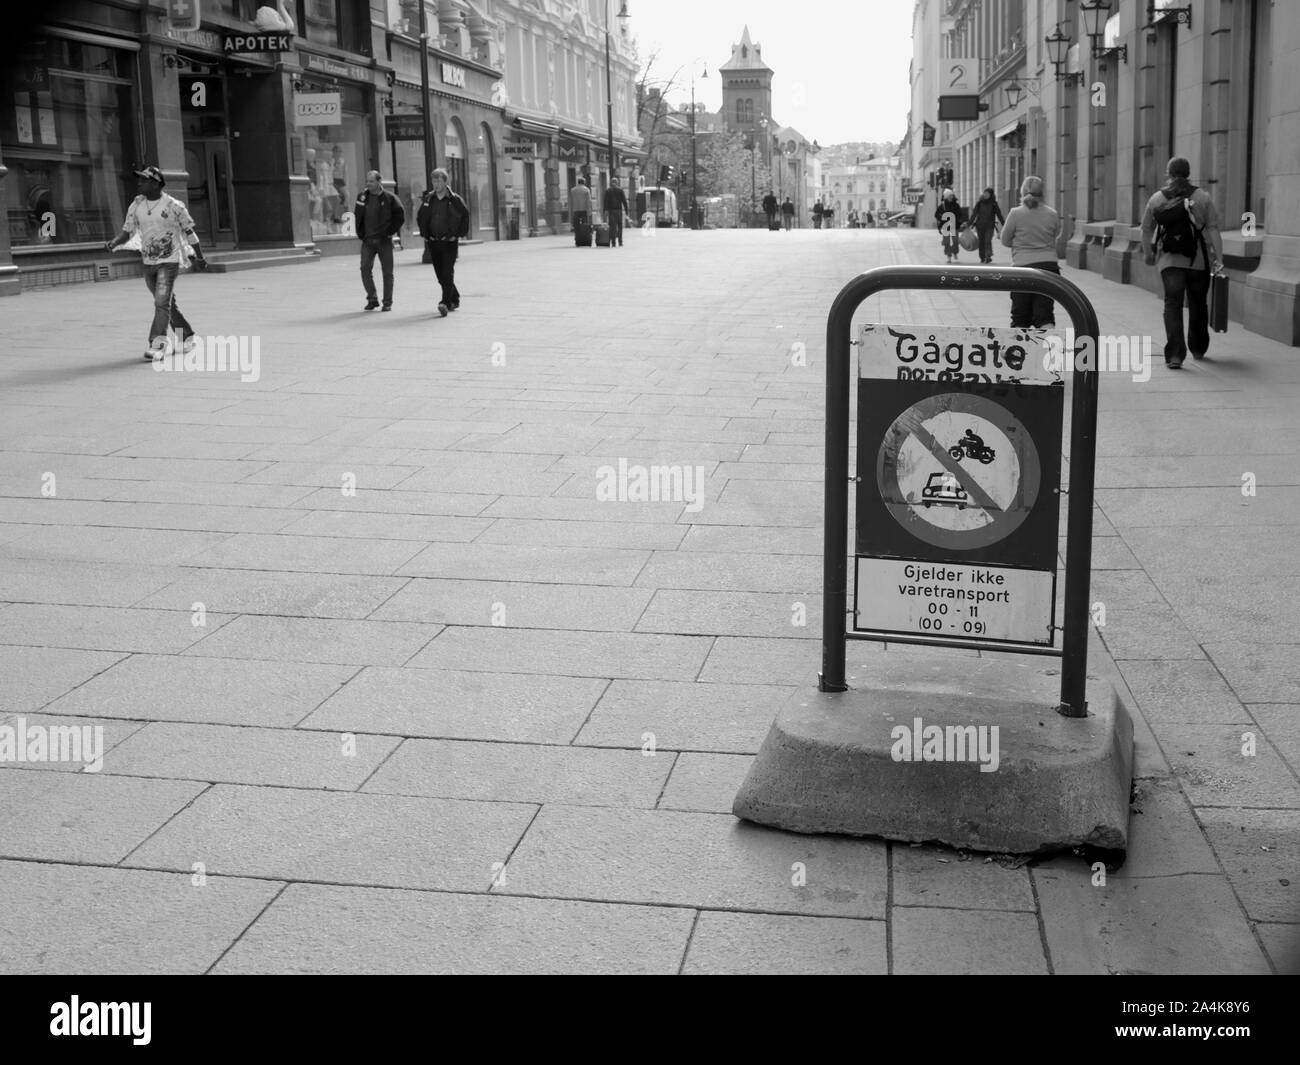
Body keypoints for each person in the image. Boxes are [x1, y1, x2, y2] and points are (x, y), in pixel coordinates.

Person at [104, 165, 207, 361]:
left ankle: (158, 343)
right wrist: (114, 243)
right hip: (148, 262)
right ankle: (187, 335)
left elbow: (189, 232)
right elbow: (127, 232)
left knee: (161, 302)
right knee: (166, 303)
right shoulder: (136, 206)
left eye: (144, 180)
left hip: (169, 261)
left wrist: (200, 257)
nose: (139, 183)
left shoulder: (174, 206)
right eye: (139, 179)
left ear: (156, 183)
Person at [1140, 156, 1224, 368]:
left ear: (1168, 173)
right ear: (1188, 173)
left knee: (1173, 304)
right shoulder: (1202, 197)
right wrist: (1219, 258)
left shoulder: (1157, 198)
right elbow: (1213, 228)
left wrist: (1148, 253)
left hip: (1169, 262)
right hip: (1198, 261)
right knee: (1198, 304)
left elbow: (1146, 228)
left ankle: (1176, 355)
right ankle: (1198, 347)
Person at [999, 175, 1063, 329]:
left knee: (1020, 316)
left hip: (1023, 269)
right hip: (1049, 269)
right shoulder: (1052, 214)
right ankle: (1048, 348)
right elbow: (1056, 236)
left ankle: (1019, 351)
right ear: (1043, 193)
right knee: (1045, 315)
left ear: (1022, 192)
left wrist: (1021, 243)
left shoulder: (1015, 213)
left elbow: (1005, 240)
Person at [416, 167, 470, 317]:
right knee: (440, 275)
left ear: (446, 182)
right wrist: (425, 234)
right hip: (433, 242)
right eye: (434, 180)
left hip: (449, 242)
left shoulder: (455, 199)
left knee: (447, 272)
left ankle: (445, 303)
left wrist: (457, 235)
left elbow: (465, 217)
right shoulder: (428, 199)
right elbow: (420, 217)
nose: (437, 183)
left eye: (440, 180)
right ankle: (455, 297)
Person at [354, 170, 405, 312]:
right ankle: (372, 298)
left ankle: (387, 302)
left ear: (379, 182)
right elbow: (357, 215)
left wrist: (389, 232)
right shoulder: (362, 197)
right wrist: (360, 232)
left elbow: (400, 216)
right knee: (364, 268)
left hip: (384, 241)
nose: (368, 184)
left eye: (371, 181)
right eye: (367, 181)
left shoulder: (390, 198)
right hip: (368, 241)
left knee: (387, 273)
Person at [971, 186, 1004, 264]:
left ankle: (988, 256)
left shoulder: (994, 204)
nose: (985, 195)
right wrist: (968, 224)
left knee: (988, 240)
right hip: (980, 226)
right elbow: (974, 214)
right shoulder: (979, 203)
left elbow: (999, 215)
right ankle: (982, 257)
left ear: (991, 194)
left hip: (989, 226)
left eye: (987, 193)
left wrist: (1004, 224)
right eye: (984, 193)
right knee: (981, 242)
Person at [935, 188, 962, 263]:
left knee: (956, 241)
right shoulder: (942, 206)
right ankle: (948, 255)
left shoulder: (956, 205)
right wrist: (942, 219)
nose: (951, 197)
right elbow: (936, 214)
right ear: (946, 197)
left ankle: (955, 252)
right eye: (949, 196)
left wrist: (959, 220)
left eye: (952, 196)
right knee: (946, 241)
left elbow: (960, 214)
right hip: (946, 226)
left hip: (954, 226)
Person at [603, 177, 628, 247]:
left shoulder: (608, 191)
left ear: (611, 182)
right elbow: (624, 201)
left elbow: (605, 202)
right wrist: (626, 211)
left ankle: (613, 242)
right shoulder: (620, 190)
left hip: (611, 211)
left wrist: (605, 211)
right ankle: (620, 242)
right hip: (619, 211)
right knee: (620, 226)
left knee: (612, 227)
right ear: (617, 183)